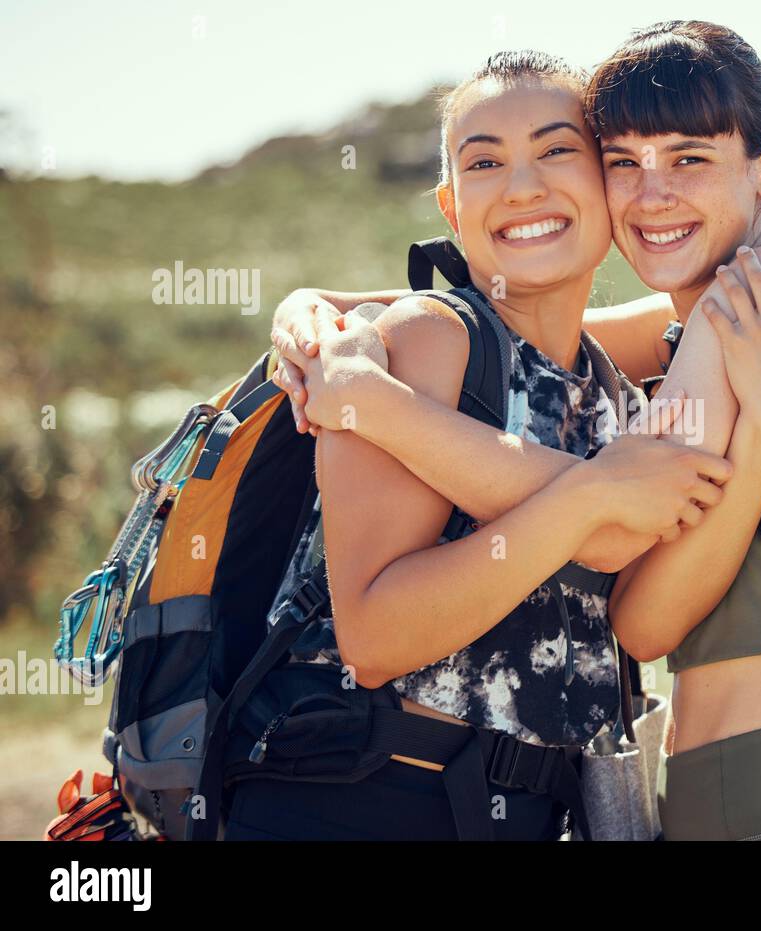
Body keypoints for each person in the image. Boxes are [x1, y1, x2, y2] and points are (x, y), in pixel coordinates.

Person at [273, 21, 761, 841]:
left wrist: (381, 407)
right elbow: (525, 311)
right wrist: (313, 311)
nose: (652, 195)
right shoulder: (693, 318)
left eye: (689, 159)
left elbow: (638, 606)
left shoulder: (748, 305)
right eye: (624, 164)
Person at [223, 49, 734, 841]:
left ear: (609, 182)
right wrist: (590, 497)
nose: (522, 185)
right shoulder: (426, 343)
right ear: (452, 208)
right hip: (361, 802)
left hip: (527, 815)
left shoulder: (611, 385)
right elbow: (375, 639)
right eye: (484, 161)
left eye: (557, 149)